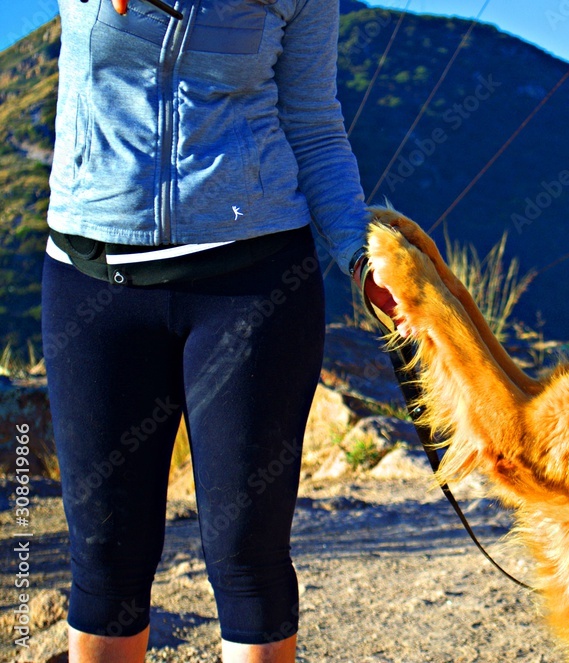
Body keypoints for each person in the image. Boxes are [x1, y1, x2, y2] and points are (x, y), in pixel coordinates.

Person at [42, 0, 392, 660]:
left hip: (254, 285)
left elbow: (314, 127)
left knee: (247, 556)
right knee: (105, 556)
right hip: (93, 282)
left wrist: (360, 254)